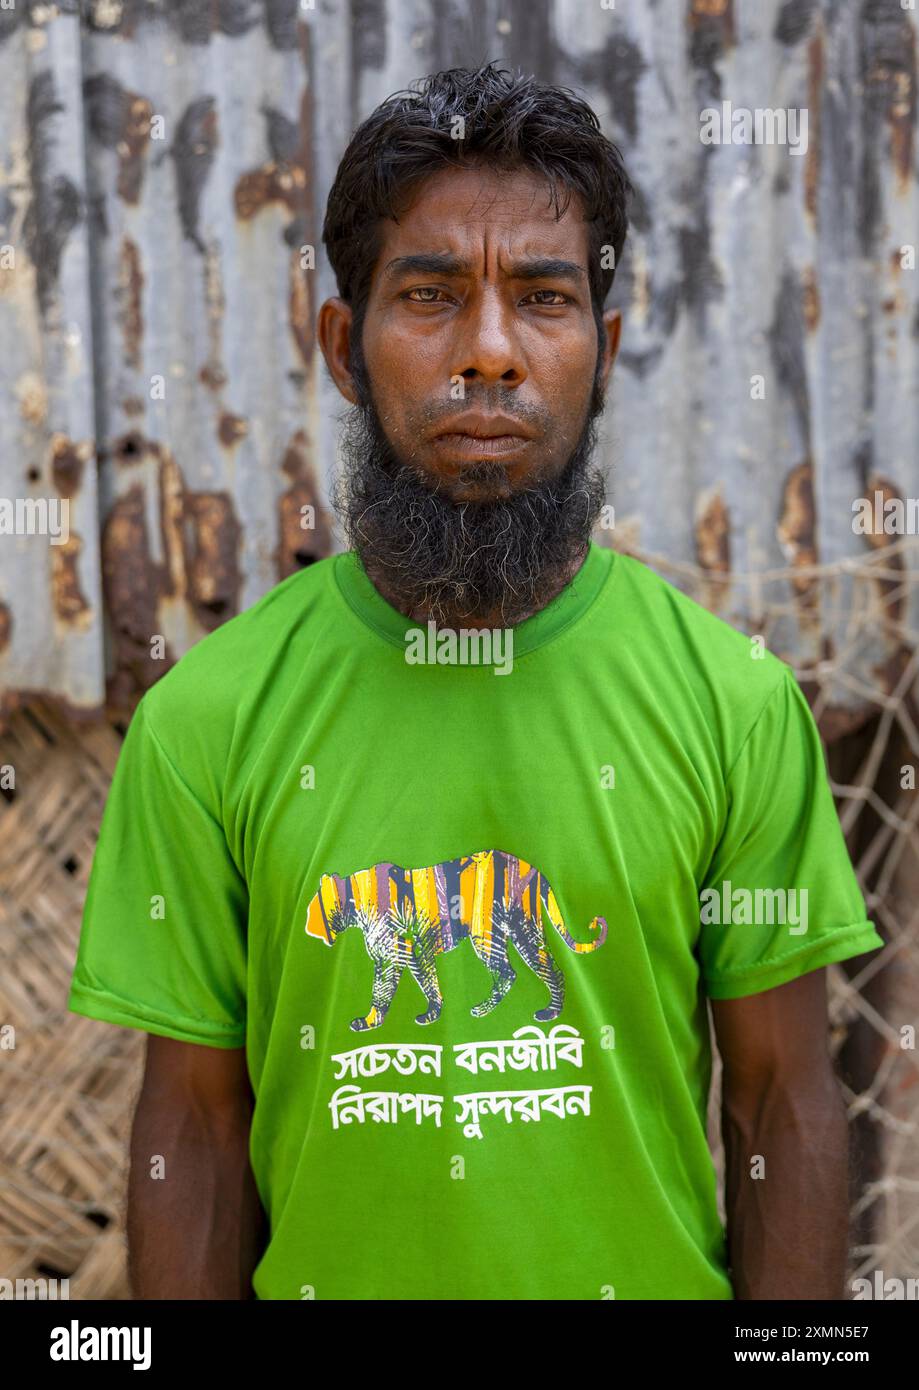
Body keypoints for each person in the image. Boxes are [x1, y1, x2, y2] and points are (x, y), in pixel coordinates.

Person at [68, 62, 883, 1301]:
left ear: (601, 352)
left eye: (543, 298)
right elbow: (191, 1124)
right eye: (433, 295)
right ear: (345, 344)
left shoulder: (735, 703)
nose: (489, 353)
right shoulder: (208, 719)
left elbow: (781, 1099)